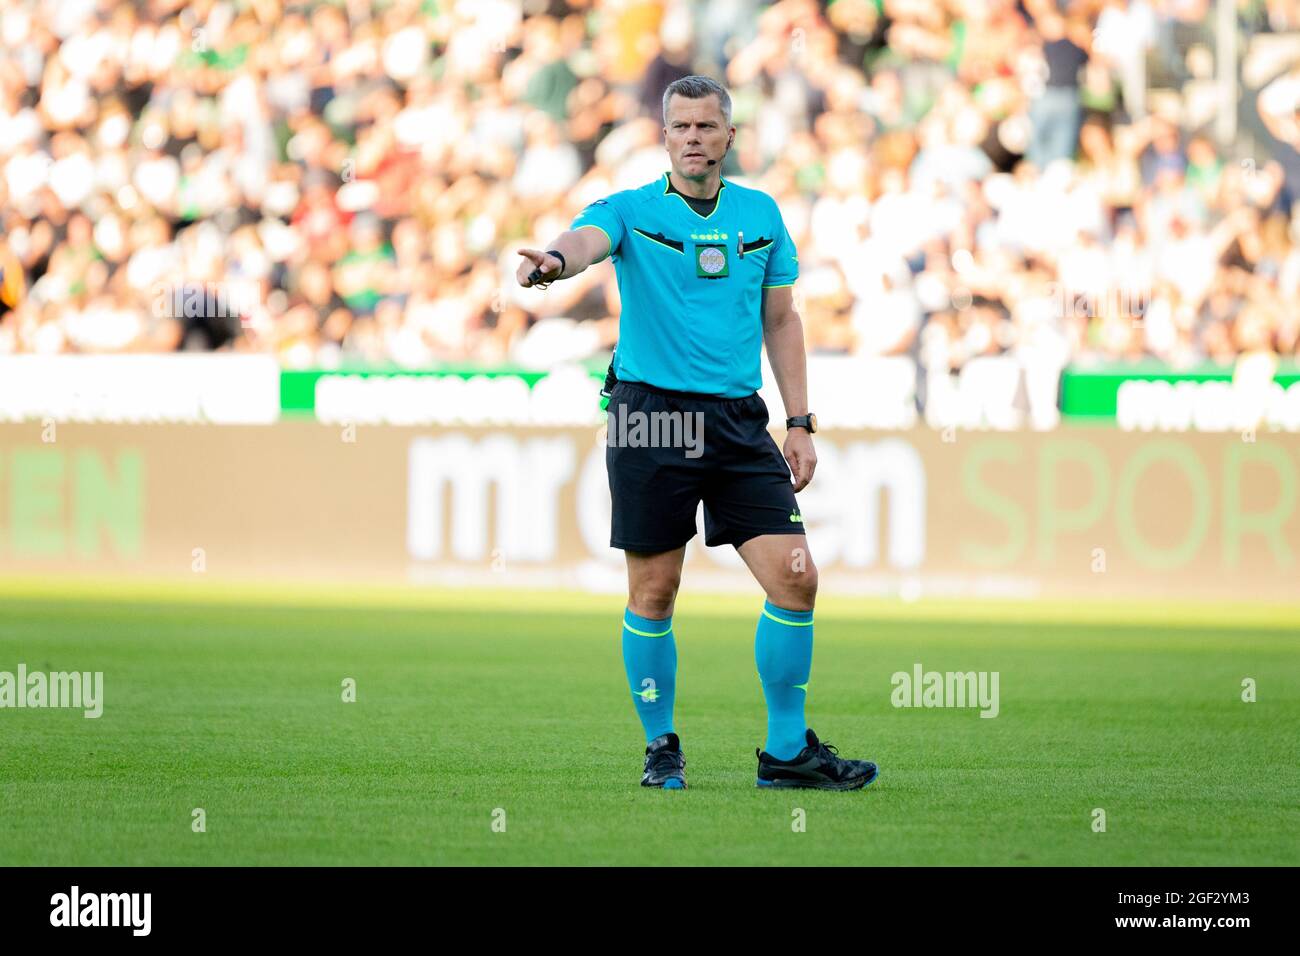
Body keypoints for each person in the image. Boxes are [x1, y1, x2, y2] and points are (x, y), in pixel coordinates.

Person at [515, 75, 878, 792]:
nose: (692, 138)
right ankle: (661, 746)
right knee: (655, 591)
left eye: (706, 127)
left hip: (739, 419)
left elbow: (781, 321)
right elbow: (586, 240)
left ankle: (785, 754)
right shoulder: (631, 209)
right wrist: (555, 263)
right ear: (664, 135)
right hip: (653, 415)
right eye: (680, 126)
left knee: (797, 579)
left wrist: (799, 420)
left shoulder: (762, 215)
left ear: (728, 137)